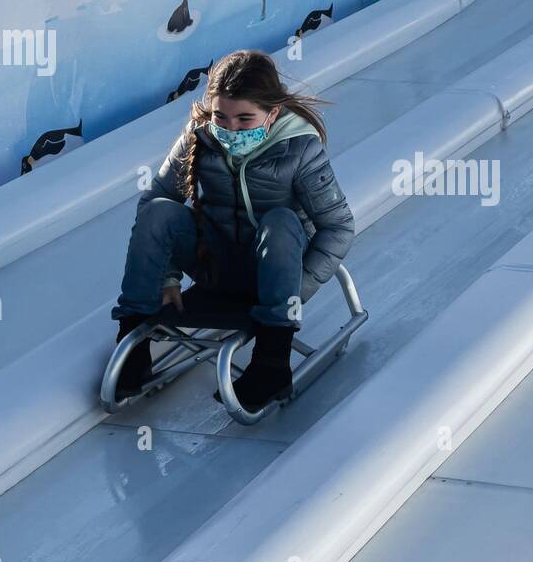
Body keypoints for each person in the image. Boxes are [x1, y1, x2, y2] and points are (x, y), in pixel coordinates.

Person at [111, 49, 355, 412]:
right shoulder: (199, 137)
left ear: (271, 114)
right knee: (159, 212)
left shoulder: (299, 149)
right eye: (220, 118)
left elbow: (338, 226)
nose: (231, 130)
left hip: (275, 274)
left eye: (244, 119)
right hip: (216, 265)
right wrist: (167, 278)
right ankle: (133, 343)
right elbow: (155, 199)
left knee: (281, 221)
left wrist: (294, 291)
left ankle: (272, 361)